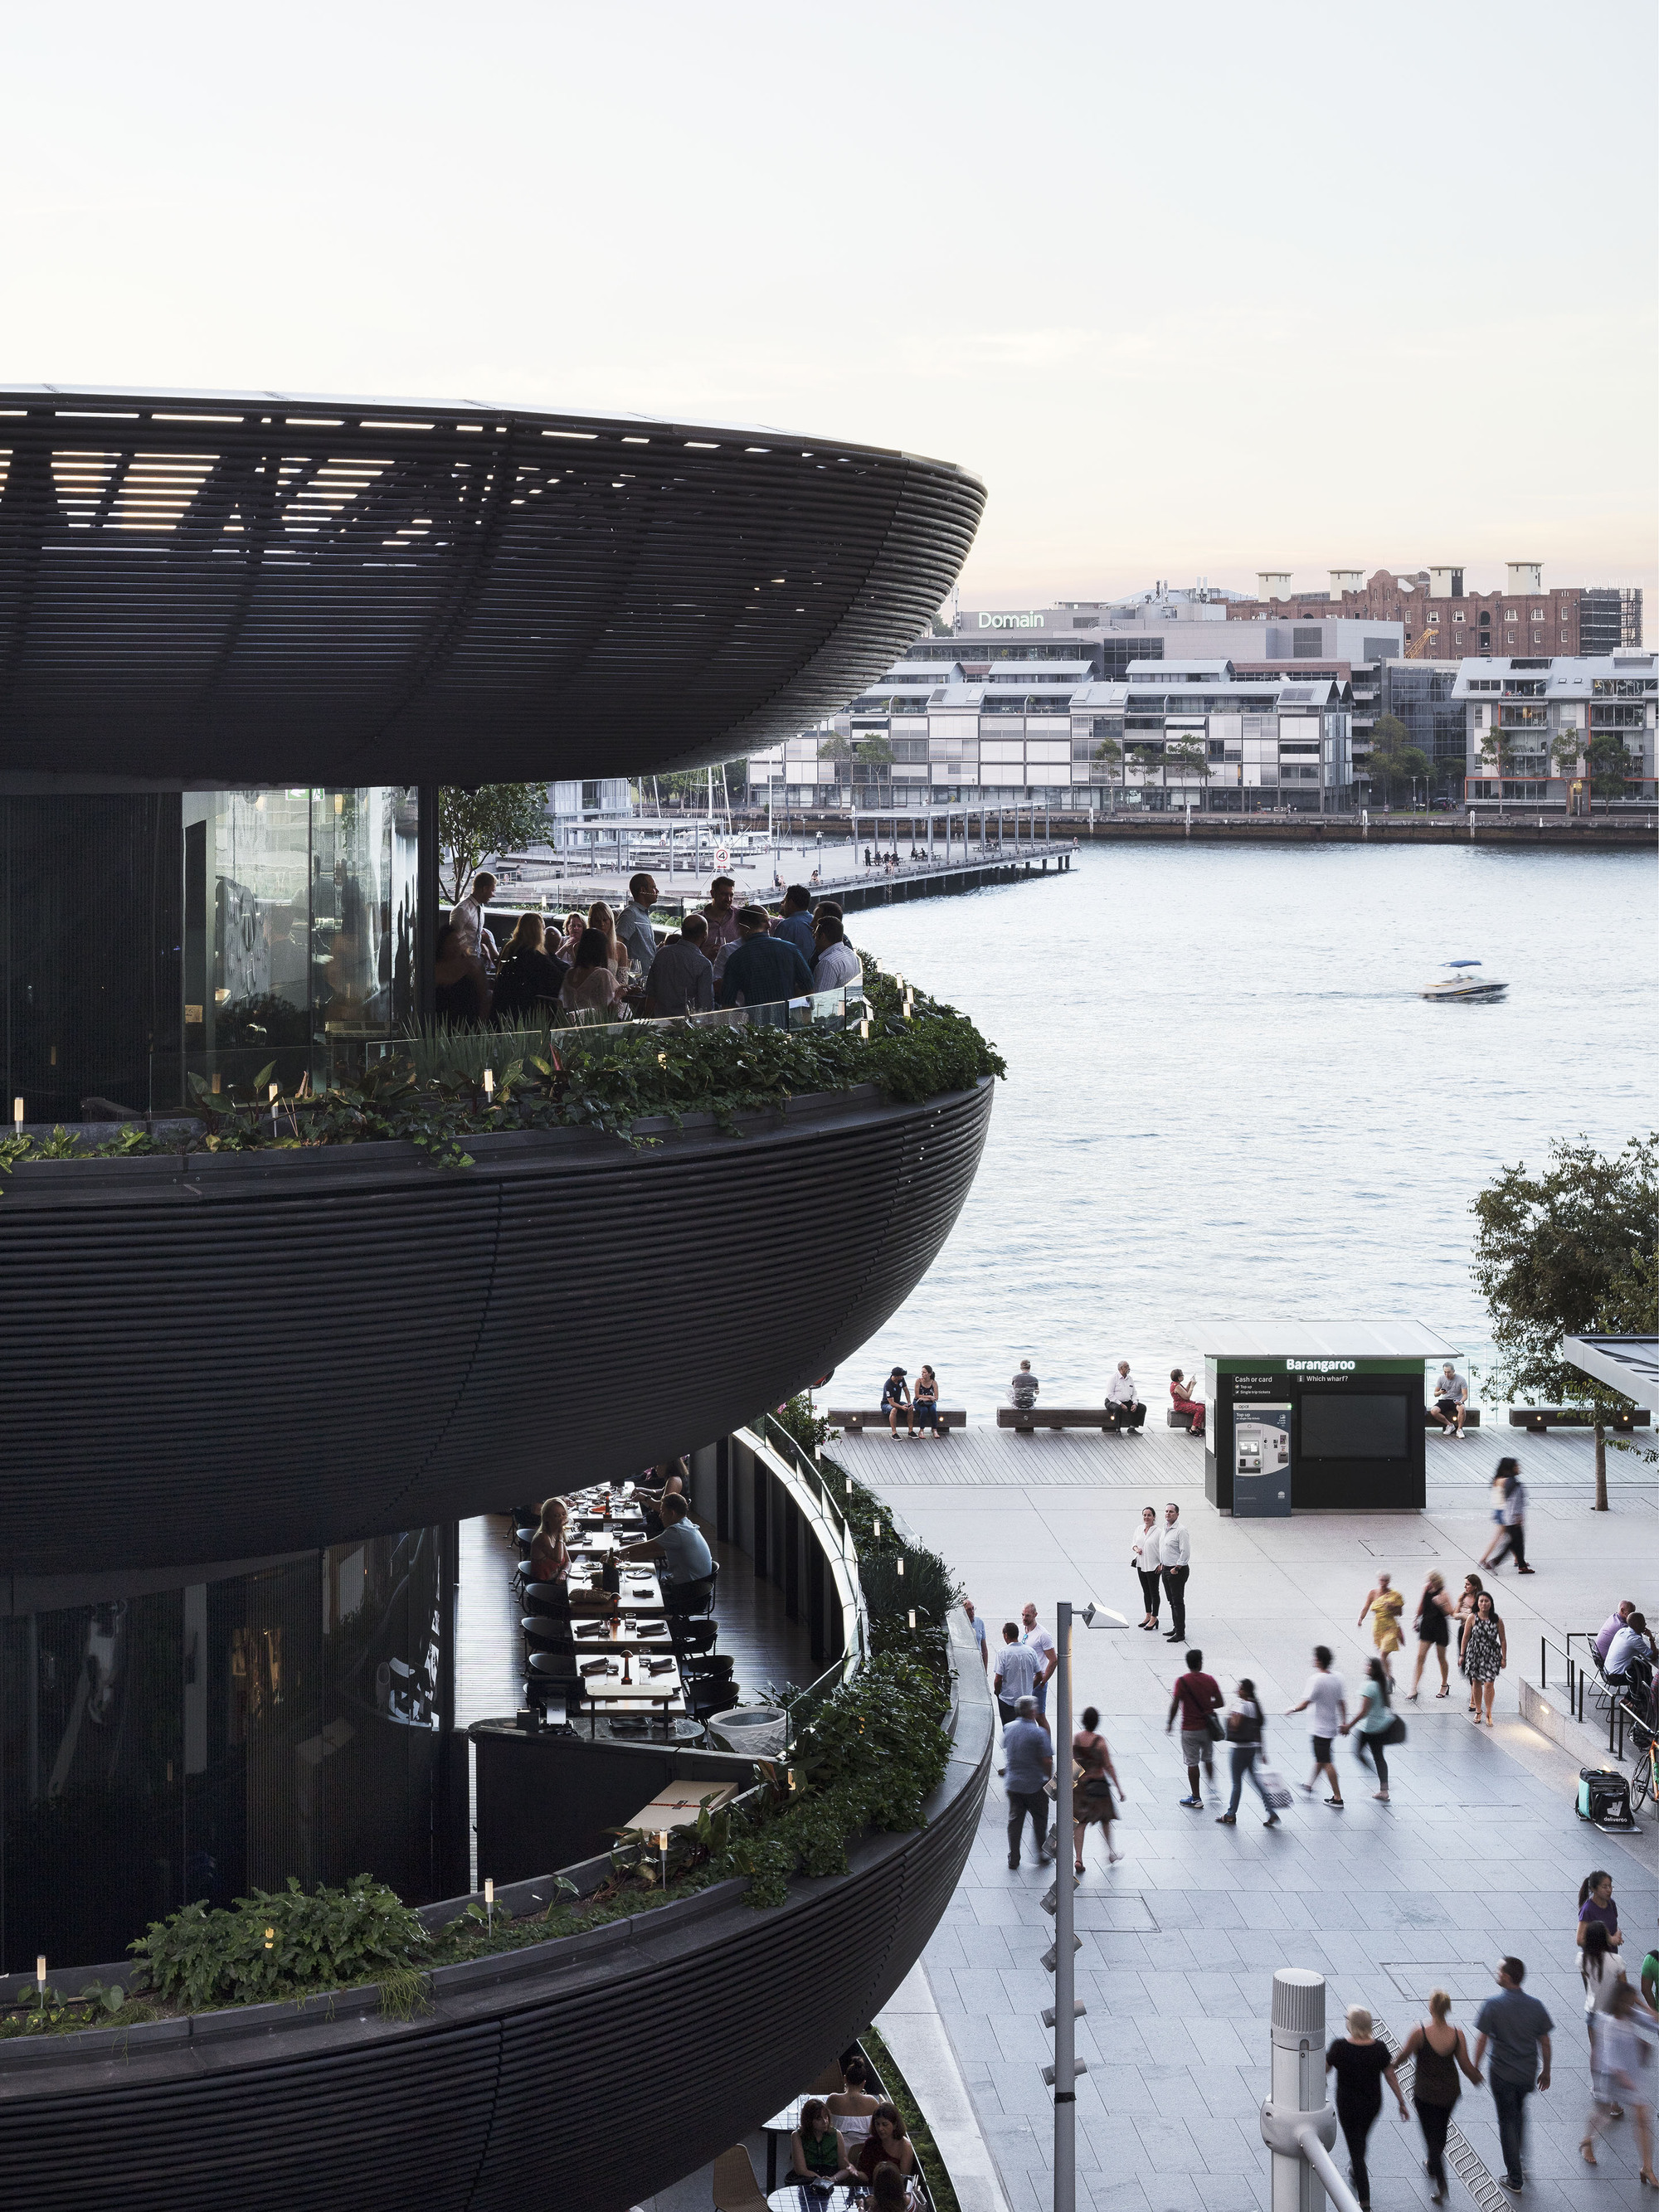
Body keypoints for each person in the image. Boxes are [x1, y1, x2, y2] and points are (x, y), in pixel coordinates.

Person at [1474, 1956, 1553, 2194]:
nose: (1496, 1973)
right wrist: (1547, 2070)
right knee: (1519, 2112)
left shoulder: (1493, 2005)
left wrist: (1474, 2067)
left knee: (1506, 2120)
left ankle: (1515, 2177)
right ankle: (1522, 2160)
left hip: (1502, 2073)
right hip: (1527, 2073)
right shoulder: (1536, 2005)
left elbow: (1482, 2039)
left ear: (1507, 1977)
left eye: (1499, 1971)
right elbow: (1545, 2042)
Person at [1397, 1991, 1481, 2205]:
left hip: (1425, 2094)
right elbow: (1464, 2064)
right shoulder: (1457, 2034)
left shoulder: (1420, 2032)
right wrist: (1476, 2078)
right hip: (1449, 2093)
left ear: (1431, 2007)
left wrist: (1387, 2067)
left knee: (1431, 2138)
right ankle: (1433, 2164)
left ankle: (1442, 2186)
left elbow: (1403, 2056)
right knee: (1441, 2130)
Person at [1325, 2002, 1408, 2211]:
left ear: (1351, 2024)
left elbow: (1323, 2071)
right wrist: (1401, 2102)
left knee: (1356, 2150)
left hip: (1348, 2106)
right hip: (1372, 2105)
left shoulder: (1339, 2047)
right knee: (1360, 2140)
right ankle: (1355, 2167)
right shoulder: (1379, 2048)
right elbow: (1390, 2076)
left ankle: (1365, 2202)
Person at [1584, 1980, 1658, 2183]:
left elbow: (1655, 2022)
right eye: (1629, 2001)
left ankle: (1647, 2167)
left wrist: (1644, 2006)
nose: (1631, 2005)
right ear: (1619, 2001)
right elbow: (1610, 2058)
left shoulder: (1629, 2014)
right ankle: (1587, 2140)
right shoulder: (1608, 2022)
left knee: (1643, 2119)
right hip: (1612, 2077)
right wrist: (1626, 2080)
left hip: (1631, 2078)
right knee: (1604, 2115)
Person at [714, 905, 814, 1009]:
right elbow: (808, 987)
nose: (770, 925)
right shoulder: (790, 949)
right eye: (767, 921)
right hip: (786, 1020)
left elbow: (727, 1002)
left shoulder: (736, 957)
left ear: (743, 926)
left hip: (752, 1023)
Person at [1288, 1646, 1347, 1808]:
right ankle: (1309, 1784)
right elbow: (1342, 1702)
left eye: (1315, 1657)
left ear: (1319, 1660)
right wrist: (1344, 1722)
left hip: (1319, 1728)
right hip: (1331, 1726)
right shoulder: (1338, 1677)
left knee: (1326, 1760)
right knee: (1321, 1757)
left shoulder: (1317, 1680)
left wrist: (1292, 1709)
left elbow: (1306, 1703)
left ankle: (1337, 1797)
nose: (1313, 1660)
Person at [615, 1494, 713, 1591]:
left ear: (672, 1513)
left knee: (632, 1587)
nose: (660, 1515)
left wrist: (612, 1556)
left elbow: (642, 1548)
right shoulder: (687, 1525)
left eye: (662, 1511)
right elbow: (654, 1553)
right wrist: (623, 1560)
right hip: (700, 1590)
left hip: (686, 1592)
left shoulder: (676, 1532)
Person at [1216, 1676, 1278, 1828]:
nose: (1237, 1690)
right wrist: (1261, 1752)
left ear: (1245, 1691)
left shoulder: (1242, 1705)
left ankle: (1230, 1815)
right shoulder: (1255, 1706)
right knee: (1257, 1782)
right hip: (1251, 1748)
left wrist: (1231, 1713)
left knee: (1237, 1783)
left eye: (1239, 1688)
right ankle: (1271, 1812)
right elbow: (1258, 1732)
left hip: (1239, 1750)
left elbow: (1236, 1726)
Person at [1166, 1646, 1224, 1808]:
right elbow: (1220, 1702)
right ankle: (1212, 1789)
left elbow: (1175, 1704)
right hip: (1207, 1728)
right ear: (1199, 1663)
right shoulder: (1210, 1680)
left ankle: (1196, 1797)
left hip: (1189, 1729)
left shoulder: (1182, 1681)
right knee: (1208, 1758)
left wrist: (1170, 1723)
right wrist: (1207, 1705)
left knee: (1192, 1762)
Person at [1001, 1694, 1053, 1868]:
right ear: (1032, 1711)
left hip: (1013, 1783)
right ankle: (1041, 1852)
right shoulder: (1039, 1733)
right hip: (1035, 1784)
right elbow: (1047, 1760)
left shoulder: (1008, 1728)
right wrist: (1048, 1780)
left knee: (1015, 1821)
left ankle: (1014, 1857)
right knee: (1040, 1819)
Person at [489, 912, 567, 1022]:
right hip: (523, 1011)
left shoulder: (510, 948)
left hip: (502, 1006)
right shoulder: (533, 955)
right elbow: (557, 978)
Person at [1072, 1704, 1124, 1870]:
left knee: (1080, 1822)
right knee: (1105, 1820)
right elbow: (1108, 1766)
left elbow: (1075, 1764)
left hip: (1081, 1786)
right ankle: (1110, 1852)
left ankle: (1078, 1859)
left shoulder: (1077, 1739)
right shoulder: (1100, 1742)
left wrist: (1070, 1784)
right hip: (1098, 1786)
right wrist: (1119, 1789)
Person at [1341, 1655, 1396, 1801]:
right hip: (1381, 1726)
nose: (1366, 1667)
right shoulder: (1381, 1683)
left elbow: (1363, 1711)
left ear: (1373, 1669)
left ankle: (1374, 1774)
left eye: (1368, 1666)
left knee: (1358, 1752)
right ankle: (1384, 1789)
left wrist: (1349, 1726)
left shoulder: (1369, 1686)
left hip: (1369, 1728)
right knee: (1379, 1756)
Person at [644, 912, 716, 1016]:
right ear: (705, 935)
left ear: (682, 931)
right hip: (686, 1027)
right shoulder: (704, 964)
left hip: (659, 1024)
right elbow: (705, 1007)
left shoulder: (662, 953)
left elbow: (651, 994)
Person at [1408, 1569, 1454, 1699]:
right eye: (1429, 1581)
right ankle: (1414, 1687)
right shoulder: (1426, 1589)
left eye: (1432, 1581)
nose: (1429, 1583)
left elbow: (1451, 1612)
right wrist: (1416, 1618)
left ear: (1437, 1581)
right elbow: (1421, 1605)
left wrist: (1441, 1604)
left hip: (1439, 1627)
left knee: (1441, 1658)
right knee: (1420, 1657)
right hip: (1427, 1625)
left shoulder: (1443, 1593)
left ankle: (1444, 1685)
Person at [433, 919, 489, 1023]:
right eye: (451, 942)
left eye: (459, 942)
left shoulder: (472, 965)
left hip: (468, 1023)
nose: (456, 946)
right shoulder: (433, 968)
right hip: (439, 1023)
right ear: (442, 945)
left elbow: (483, 998)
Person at [1463, 1592, 1506, 1726]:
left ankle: (1488, 1711)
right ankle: (1478, 1710)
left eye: (1486, 1601)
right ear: (1477, 1603)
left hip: (1491, 1654)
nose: (1484, 1604)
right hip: (1475, 1653)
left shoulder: (1497, 1620)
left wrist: (1504, 1658)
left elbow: (1503, 1640)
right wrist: (1462, 1655)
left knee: (1489, 1683)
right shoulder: (1472, 1618)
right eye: (1481, 1601)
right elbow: (1465, 1637)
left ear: (1491, 1603)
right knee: (1476, 1682)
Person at [558, 926, 620, 1015]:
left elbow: (561, 1003)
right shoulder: (602, 974)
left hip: (570, 1024)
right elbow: (611, 1009)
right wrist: (619, 996)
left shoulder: (570, 973)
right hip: (593, 1026)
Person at [1357, 1570, 1405, 1684]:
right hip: (1378, 1627)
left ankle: (1384, 1679)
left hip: (1390, 1627)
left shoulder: (1395, 1595)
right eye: (1381, 1580)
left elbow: (1400, 1612)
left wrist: (1392, 1607)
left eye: (1385, 1581)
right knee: (1383, 1653)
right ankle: (1390, 1677)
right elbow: (1366, 1607)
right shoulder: (1373, 1593)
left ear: (1389, 1582)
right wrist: (1361, 1618)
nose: (1383, 1583)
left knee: (1383, 1653)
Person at [992, 1623, 1041, 1729]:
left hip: (1008, 1701)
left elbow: (998, 1679)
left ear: (1006, 1635)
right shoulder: (1030, 1652)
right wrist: (1029, 1687)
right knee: (1028, 1731)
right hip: (1026, 1701)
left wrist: (998, 1692)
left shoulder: (1003, 1653)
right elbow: (1039, 1675)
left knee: (1010, 1730)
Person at [790, 2101, 852, 2183]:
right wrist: (820, 2180)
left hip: (832, 2177)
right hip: (808, 2178)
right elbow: (801, 2170)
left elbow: (845, 2169)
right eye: (819, 2119)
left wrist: (832, 2179)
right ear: (809, 2120)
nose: (825, 2121)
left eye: (826, 2117)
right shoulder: (797, 2135)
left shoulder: (836, 2134)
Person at [614, 873, 660, 980]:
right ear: (643, 890)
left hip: (646, 979)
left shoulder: (643, 914)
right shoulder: (630, 914)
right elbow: (617, 946)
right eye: (653, 887)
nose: (657, 891)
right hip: (634, 981)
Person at [826, 2054, 880, 2146]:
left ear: (845, 2079)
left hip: (836, 2153)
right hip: (864, 2154)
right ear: (864, 2083)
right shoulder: (873, 2102)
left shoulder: (833, 2099)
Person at [450, 872, 499, 970]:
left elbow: (472, 935)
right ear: (485, 889)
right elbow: (453, 941)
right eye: (492, 890)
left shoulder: (479, 909)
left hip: (474, 964)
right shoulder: (462, 910)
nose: (493, 895)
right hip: (463, 967)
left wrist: (483, 950)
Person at [854, 2107, 917, 2184]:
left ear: (895, 2125)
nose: (880, 2128)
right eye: (877, 2124)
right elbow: (865, 2175)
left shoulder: (905, 2146)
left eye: (885, 2124)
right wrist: (853, 2171)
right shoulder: (871, 2143)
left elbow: (903, 2179)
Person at [1158, 1501, 1191, 1641]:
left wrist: (1177, 1568)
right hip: (1165, 1569)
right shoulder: (1165, 1528)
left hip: (1176, 1570)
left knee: (1177, 1602)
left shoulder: (1181, 1530)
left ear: (1177, 1514)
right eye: (1166, 1511)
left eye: (1171, 1512)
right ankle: (1176, 1627)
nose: (1168, 1514)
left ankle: (1180, 1633)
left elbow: (1185, 1551)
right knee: (1171, 1601)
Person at [1455, 1574, 1486, 1712]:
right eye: (1465, 1584)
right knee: (1466, 1663)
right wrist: (1464, 1616)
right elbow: (1455, 1614)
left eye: (1468, 1584)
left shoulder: (1481, 1599)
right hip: (1463, 1632)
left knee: (1474, 1664)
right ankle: (1476, 1688)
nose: (1465, 1587)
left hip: (1477, 1634)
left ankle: (1474, 1699)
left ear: (1475, 1586)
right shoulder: (1462, 1597)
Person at [1606, 1612, 1657, 1696]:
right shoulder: (1635, 1639)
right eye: (1643, 1622)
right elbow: (1653, 1656)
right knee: (1645, 1674)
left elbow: (1649, 1651)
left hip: (1608, 1671)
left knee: (1644, 1667)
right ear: (1637, 1625)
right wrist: (1651, 1638)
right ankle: (1641, 1701)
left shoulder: (1622, 1631)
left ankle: (1630, 1700)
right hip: (1616, 1677)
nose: (1645, 1624)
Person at [1020, 1602, 1057, 1718]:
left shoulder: (1043, 1635)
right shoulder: (1021, 1629)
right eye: (1023, 1615)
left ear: (1035, 1615)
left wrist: (1043, 1682)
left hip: (1036, 1681)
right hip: (1023, 1681)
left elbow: (1053, 1660)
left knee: (1039, 1716)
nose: (1024, 1618)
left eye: (1028, 1616)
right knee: (1023, 1716)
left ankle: (1044, 1736)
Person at [1579, 1869, 1624, 1955]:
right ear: (1594, 1889)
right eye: (1604, 1887)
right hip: (1595, 1959)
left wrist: (1617, 1933)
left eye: (1610, 1886)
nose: (1609, 1890)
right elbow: (1580, 1940)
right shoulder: (1588, 1910)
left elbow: (1613, 1924)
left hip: (1612, 1956)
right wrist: (1608, 1940)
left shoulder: (1611, 1903)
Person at [698, 876, 742, 964]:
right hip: (707, 973)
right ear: (713, 894)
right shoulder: (698, 921)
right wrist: (706, 956)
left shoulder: (739, 916)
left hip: (735, 972)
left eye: (731, 895)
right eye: (724, 894)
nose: (728, 899)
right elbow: (688, 955)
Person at [810, 912, 860, 990]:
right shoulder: (850, 953)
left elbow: (821, 998)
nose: (814, 940)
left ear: (823, 937)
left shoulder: (828, 963)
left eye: (815, 936)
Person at [586, 900, 630, 986]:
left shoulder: (620, 948)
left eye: (605, 920)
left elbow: (623, 982)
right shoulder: (582, 946)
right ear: (592, 923)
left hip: (613, 995)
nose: (602, 924)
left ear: (611, 921)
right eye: (597, 921)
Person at [1131, 1505, 1162, 1630]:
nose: (1146, 1517)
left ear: (1154, 1517)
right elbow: (1133, 1544)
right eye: (1144, 1515)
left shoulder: (1159, 1532)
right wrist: (1136, 1549)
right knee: (1146, 1591)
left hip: (1153, 1565)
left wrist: (1162, 1564)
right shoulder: (1139, 1529)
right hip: (1141, 1564)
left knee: (1154, 1592)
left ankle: (1155, 1617)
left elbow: (1163, 1549)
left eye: (1149, 1515)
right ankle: (1148, 1615)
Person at [770, 884, 817, 960]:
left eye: (784, 901)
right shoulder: (815, 921)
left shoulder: (786, 925)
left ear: (790, 903)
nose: (781, 903)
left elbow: (777, 955)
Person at [528, 1496, 569, 1583]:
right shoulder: (542, 1536)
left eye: (563, 1514)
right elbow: (558, 1559)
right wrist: (560, 1534)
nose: (562, 1518)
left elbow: (568, 1562)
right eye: (557, 1516)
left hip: (556, 1584)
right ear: (546, 1518)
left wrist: (563, 1572)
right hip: (543, 1589)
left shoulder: (556, 1535)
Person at [1431, 1360, 1469, 1437]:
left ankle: (1459, 1429)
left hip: (1456, 1400)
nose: (1446, 1374)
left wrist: (1461, 1401)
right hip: (1445, 1400)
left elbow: (1465, 1395)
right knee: (1433, 1411)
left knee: (1462, 1408)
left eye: (1449, 1372)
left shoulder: (1461, 1379)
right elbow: (1435, 1394)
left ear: (1453, 1371)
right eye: (1445, 1372)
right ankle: (1450, 1425)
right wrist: (1440, 1392)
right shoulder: (1441, 1378)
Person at [1107, 1360, 1146, 1430]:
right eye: (1126, 1367)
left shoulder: (1130, 1379)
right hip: (1112, 1401)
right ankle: (1118, 1430)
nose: (1129, 1369)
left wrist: (1135, 1404)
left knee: (1142, 1407)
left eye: (1129, 1366)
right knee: (1117, 1408)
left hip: (1126, 1401)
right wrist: (1121, 1404)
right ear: (1121, 1368)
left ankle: (1132, 1428)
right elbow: (1110, 1395)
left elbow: (1134, 1393)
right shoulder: (1113, 1378)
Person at [1596, 1600, 1638, 1664]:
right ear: (1622, 1610)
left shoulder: (1614, 1616)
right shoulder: (1622, 1627)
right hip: (1609, 1662)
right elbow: (1638, 1645)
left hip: (1600, 1657)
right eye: (1630, 1612)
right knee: (1644, 1664)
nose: (1633, 1616)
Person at [1169, 1368, 1205, 1438]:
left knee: (1202, 1406)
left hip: (1184, 1403)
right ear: (1179, 1378)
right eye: (1182, 1375)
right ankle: (1193, 1429)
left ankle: (1201, 1427)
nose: (1183, 1376)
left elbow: (1184, 1392)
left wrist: (1189, 1384)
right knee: (1200, 1409)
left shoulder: (1176, 1384)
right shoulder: (1177, 1386)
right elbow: (1187, 1397)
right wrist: (1192, 1387)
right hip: (1180, 1405)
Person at [910, 1364, 943, 1437]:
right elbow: (917, 1396)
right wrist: (929, 1397)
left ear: (929, 1374)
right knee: (924, 1410)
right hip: (919, 1402)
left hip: (930, 1402)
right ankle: (921, 1430)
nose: (922, 1374)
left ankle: (935, 1430)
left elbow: (936, 1397)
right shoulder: (919, 1381)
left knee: (933, 1410)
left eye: (924, 1372)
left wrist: (927, 1398)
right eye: (922, 1372)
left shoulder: (934, 1382)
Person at [881, 1366, 911, 1437]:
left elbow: (906, 1390)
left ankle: (911, 1431)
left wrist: (909, 1403)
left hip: (897, 1402)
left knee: (910, 1408)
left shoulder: (901, 1379)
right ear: (896, 1376)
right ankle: (894, 1432)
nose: (902, 1377)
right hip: (886, 1404)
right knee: (894, 1409)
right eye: (901, 1375)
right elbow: (891, 1403)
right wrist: (901, 1407)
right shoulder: (888, 1385)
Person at [962, 1597, 988, 1672]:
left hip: (978, 1663)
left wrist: (985, 1670)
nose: (972, 1612)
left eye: (973, 1609)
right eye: (969, 1610)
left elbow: (984, 1649)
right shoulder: (961, 1624)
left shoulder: (979, 1622)